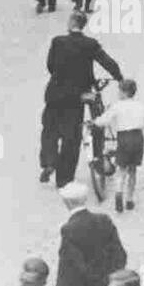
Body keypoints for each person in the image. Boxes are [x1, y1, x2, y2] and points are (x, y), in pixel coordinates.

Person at [39, 11, 123, 187]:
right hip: (77, 97)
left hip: (55, 94)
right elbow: (107, 62)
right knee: (72, 136)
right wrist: (119, 77)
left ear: (71, 23)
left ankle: (49, 161)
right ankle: (64, 178)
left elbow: (50, 65)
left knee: (50, 129)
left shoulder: (58, 41)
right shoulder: (90, 44)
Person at [94, 78, 144, 213]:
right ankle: (130, 200)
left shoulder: (117, 106)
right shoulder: (141, 106)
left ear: (124, 92)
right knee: (132, 170)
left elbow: (105, 120)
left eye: (119, 91)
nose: (118, 94)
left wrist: (95, 122)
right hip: (138, 138)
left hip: (124, 138)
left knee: (121, 169)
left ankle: (119, 193)